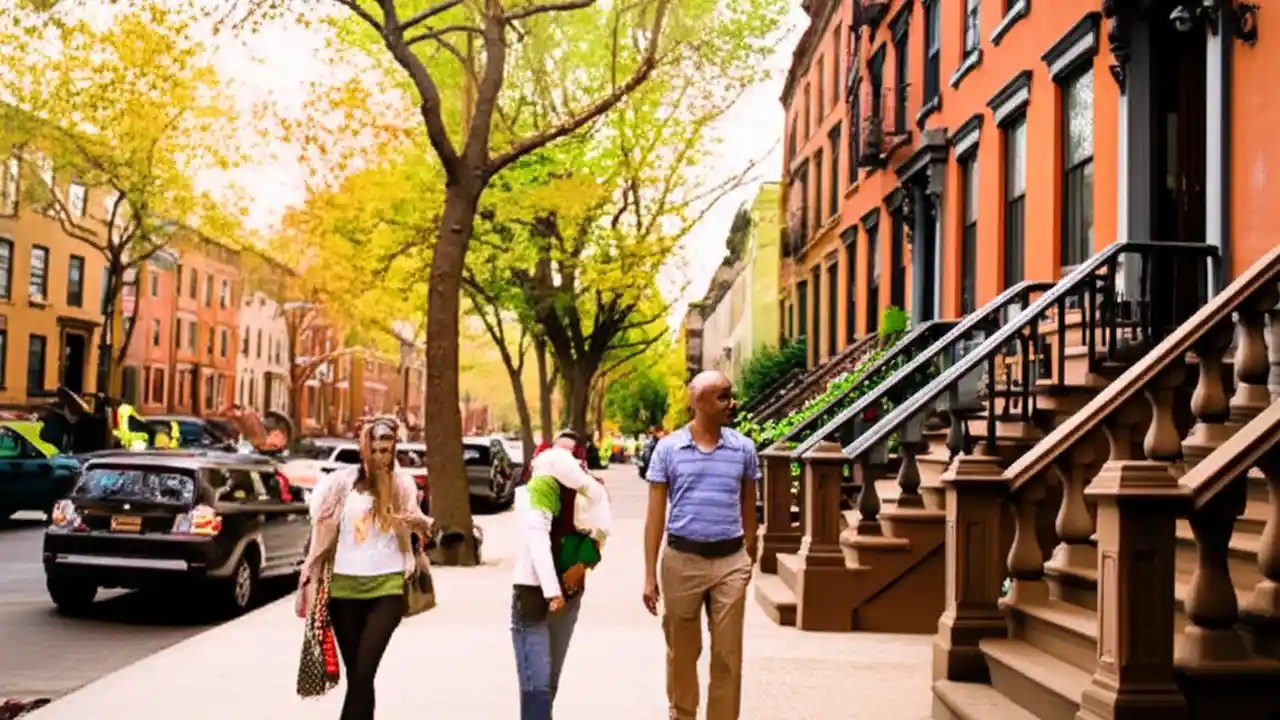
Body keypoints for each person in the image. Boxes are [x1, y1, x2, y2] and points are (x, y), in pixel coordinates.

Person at [296, 416, 432, 720]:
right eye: (377, 449)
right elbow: (319, 525)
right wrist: (310, 574)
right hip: (343, 588)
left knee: (365, 669)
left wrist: (411, 522)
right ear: (364, 449)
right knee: (359, 675)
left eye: (388, 449)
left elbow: (421, 525)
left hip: (387, 585)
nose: (382, 456)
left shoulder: (402, 484)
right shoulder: (339, 484)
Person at [643, 371, 759, 720]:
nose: (731, 403)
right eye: (723, 396)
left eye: (730, 394)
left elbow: (749, 508)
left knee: (727, 656)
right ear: (699, 403)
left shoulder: (743, 449)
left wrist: (748, 556)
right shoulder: (668, 450)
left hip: (730, 562)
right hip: (681, 561)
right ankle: (683, 714)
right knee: (682, 651)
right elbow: (654, 518)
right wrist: (650, 575)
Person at [512, 429, 612, 720]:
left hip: (569, 594)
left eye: (570, 454)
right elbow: (536, 537)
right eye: (559, 451)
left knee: (548, 683)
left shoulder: (591, 493)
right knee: (536, 686)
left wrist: (582, 566)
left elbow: (600, 537)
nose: (562, 459)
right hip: (532, 591)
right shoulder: (536, 486)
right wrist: (551, 589)